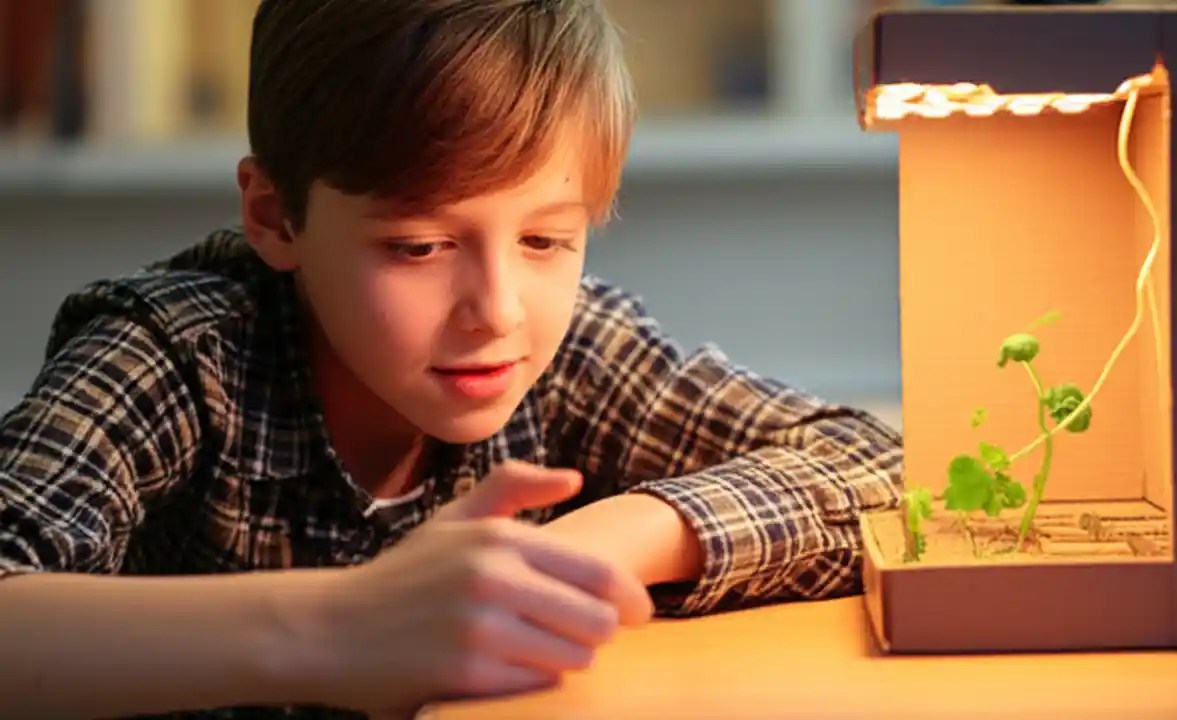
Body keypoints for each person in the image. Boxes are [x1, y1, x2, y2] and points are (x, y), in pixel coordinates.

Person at [0, 1, 904, 718]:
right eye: (419, 247)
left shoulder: (574, 349)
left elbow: (879, 465)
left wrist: (596, 546)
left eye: (548, 239)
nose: (498, 312)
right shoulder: (176, 356)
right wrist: (343, 627)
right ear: (276, 217)